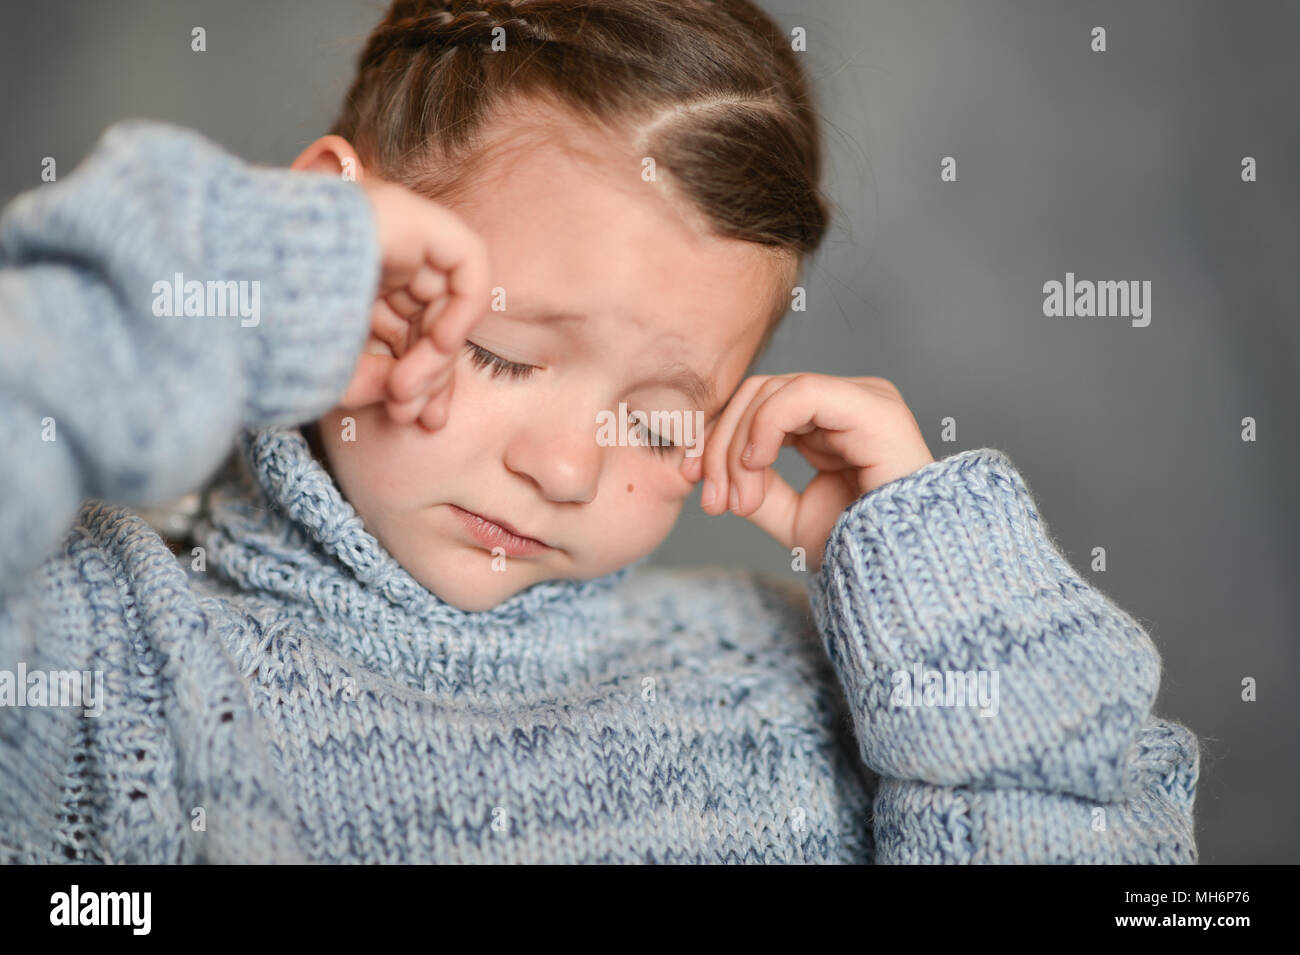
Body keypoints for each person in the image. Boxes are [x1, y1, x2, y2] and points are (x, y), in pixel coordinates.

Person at [0, 0, 1197, 863]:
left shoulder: (801, 685)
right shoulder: (104, 647)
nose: (563, 468)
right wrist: (243, 270)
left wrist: (952, 619)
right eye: (500, 353)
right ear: (334, 243)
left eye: (656, 418)